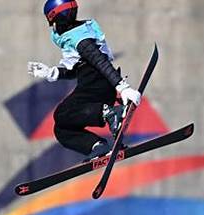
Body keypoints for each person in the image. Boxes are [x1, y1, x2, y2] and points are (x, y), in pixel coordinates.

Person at [28, 0, 141, 161]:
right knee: (61, 129)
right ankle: (98, 146)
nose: (55, 27)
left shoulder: (79, 38)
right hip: (92, 84)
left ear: (57, 18)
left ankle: (109, 114)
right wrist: (52, 72)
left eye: (54, 21)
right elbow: (76, 68)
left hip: (97, 84)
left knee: (61, 113)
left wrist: (123, 87)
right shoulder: (75, 34)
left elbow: (99, 61)